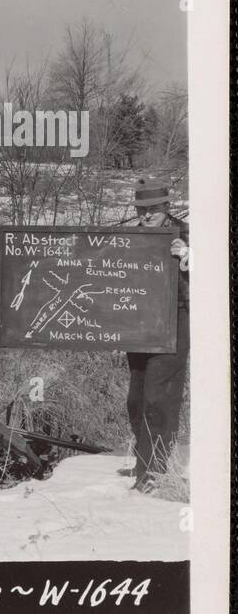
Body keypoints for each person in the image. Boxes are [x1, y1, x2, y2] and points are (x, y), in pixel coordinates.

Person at [124, 179, 189, 493]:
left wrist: (189, 257)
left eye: (153, 209)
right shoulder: (134, 236)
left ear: (167, 207)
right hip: (138, 324)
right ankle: (145, 459)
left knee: (158, 398)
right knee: (136, 400)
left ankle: (154, 472)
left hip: (175, 323)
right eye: (142, 210)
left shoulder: (189, 233)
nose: (147, 215)